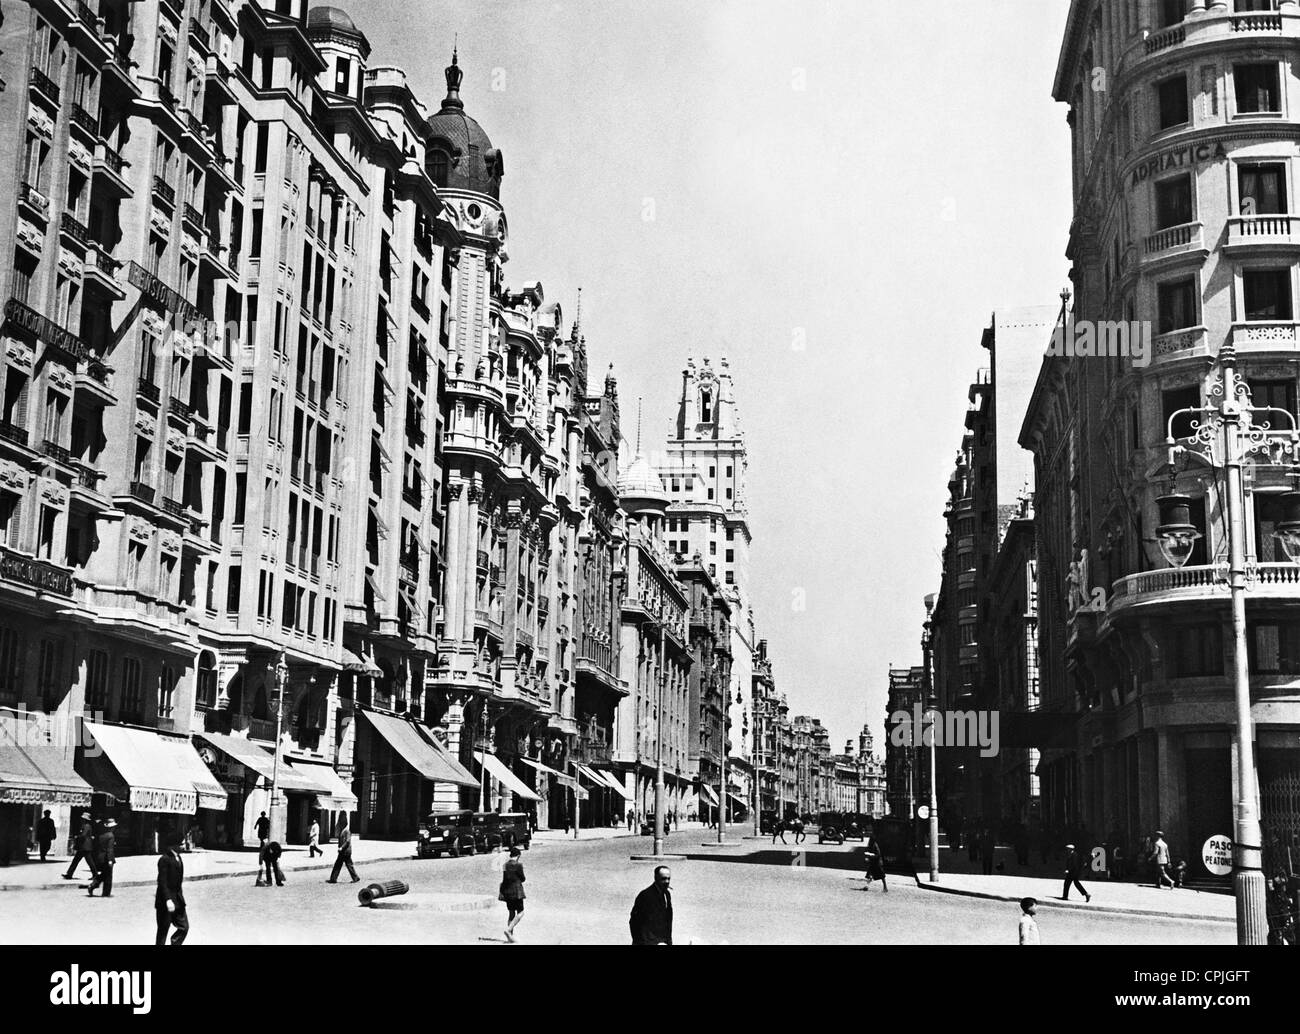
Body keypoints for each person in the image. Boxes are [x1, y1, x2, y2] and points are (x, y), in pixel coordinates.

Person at [155, 835, 189, 946]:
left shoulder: (179, 858)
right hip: (166, 902)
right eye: (181, 844)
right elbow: (162, 882)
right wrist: (168, 899)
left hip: (178, 900)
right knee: (163, 930)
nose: (183, 846)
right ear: (172, 846)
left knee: (184, 927)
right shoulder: (164, 859)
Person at [629, 865, 673, 945]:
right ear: (656, 878)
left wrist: (668, 942)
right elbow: (635, 923)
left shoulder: (667, 894)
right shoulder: (645, 896)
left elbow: (667, 922)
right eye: (663, 879)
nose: (667, 881)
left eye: (668, 878)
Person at [499, 846, 526, 942]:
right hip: (517, 892)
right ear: (518, 856)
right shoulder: (518, 865)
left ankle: (510, 937)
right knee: (521, 912)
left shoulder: (505, 865)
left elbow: (504, 879)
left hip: (507, 891)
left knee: (511, 913)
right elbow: (523, 878)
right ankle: (509, 929)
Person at [62, 812, 97, 881]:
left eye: (83, 818)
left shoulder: (86, 826)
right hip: (83, 847)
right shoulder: (85, 825)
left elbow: (83, 835)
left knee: (89, 862)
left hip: (85, 847)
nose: (82, 819)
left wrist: (77, 837)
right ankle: (69, 874)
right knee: (76, 861)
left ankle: (95, 875)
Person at [87, 819, 116, 898]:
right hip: (107, 858)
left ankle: (92, 885)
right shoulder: (111, 836)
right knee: (108, 876)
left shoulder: (101, 835)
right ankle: (106, 893)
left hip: (100, 857)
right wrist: (110, 860)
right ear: (111, 827)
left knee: (104, 874)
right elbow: (110, 849)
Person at [326, 817, 359, 883]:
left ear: (344, 823)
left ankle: (333, 879)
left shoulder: (347, 831)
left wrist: (341, 847)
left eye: (341, 823)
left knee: (339, 865)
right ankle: (355, 877)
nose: (339, 824)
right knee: (346, 865)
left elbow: (347, 841)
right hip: (343, 851)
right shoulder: (342, 831)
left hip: (345, 851)